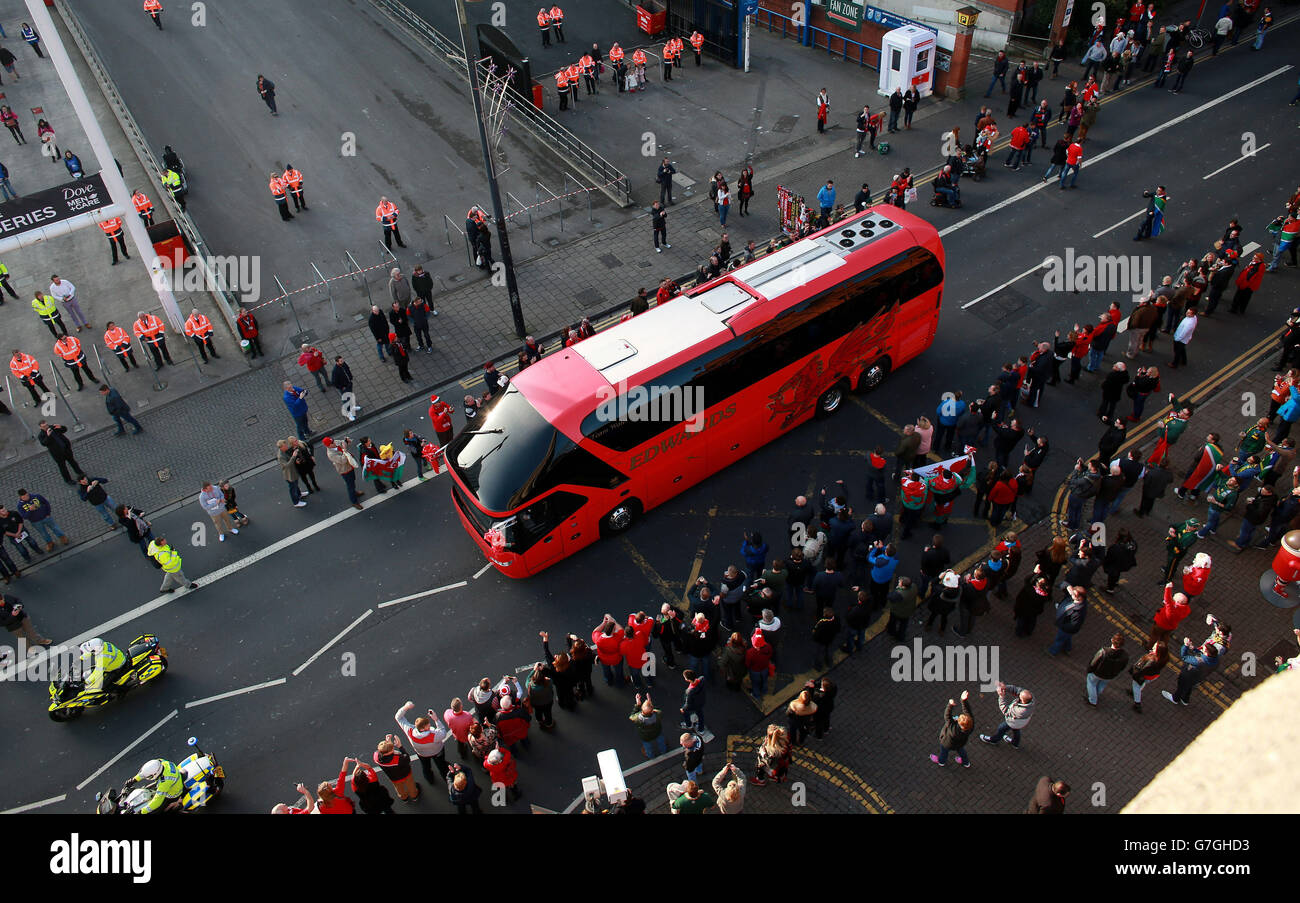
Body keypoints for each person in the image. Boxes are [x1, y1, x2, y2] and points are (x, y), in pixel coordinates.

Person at [395, 701, 450, 786]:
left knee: (426, 767)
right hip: (437, 752)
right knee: (442, 766)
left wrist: (406, 707)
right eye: (428, 725)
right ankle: (447, 779)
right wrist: (436, 719)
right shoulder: (433, 735)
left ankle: (429, 779)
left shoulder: (410, 731)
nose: (429, 725)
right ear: (423, 729)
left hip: (422, 754)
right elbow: (443, 732)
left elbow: (398, 717)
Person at [979, 681, 1034, 749]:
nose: (1018, 694)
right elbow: (1017, 690)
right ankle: (1015, 743)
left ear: (1022, 700)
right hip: (1021, 722)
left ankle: (994, 740)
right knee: (1016, 730)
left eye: (1020, 696)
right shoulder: (1030, 699)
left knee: (1001, 728)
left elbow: (1006, 710)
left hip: (1014, 722)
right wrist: (1005, 687)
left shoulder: (1020, 711)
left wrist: (1001, 696)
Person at [931, 690, 974, 767]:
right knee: (962, 752)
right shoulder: (971, 726)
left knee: (944, 752)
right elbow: (968, 711)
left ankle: (941, 762)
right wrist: (963, 700)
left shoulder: (952, 727)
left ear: (959, 723)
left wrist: (950, 705)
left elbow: (947, 716)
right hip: (960, 743)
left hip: (947, 743)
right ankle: (966, 763)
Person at [1085, 633, 1130, 706]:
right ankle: (1096, 694)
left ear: (1112, 640)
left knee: (1091, 683)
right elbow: (1122, 667)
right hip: (1110, 675)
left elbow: (1094, 662)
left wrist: (1089, 669)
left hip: (1097, 673)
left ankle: (1092, 701)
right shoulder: (1125, 656)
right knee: (1102, 685)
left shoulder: (1104, 651)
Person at [322, 437, 365, 510]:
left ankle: (354, 493)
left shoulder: (334, 442)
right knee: (350, 485)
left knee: (352, 480)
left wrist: (346, 441)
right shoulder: (331, 454)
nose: (334, 442)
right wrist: (345, 450)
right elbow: (342, 461)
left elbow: (342, 442)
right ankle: (354, 501)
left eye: (333, 441)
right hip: (345, 470)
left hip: (349, 466)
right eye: (332, 443)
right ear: (328, 446)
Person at [630, 693, 667, 758]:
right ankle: (663, 750)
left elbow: (632, 716)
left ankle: (650, 755)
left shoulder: (638, 718)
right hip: (657, 732)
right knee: (661, 741)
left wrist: (638, 705)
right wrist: (650, 702)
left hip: (645, 736)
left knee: (647, 746)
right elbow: (657, 710)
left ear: (642, 710)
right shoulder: (657, 714)